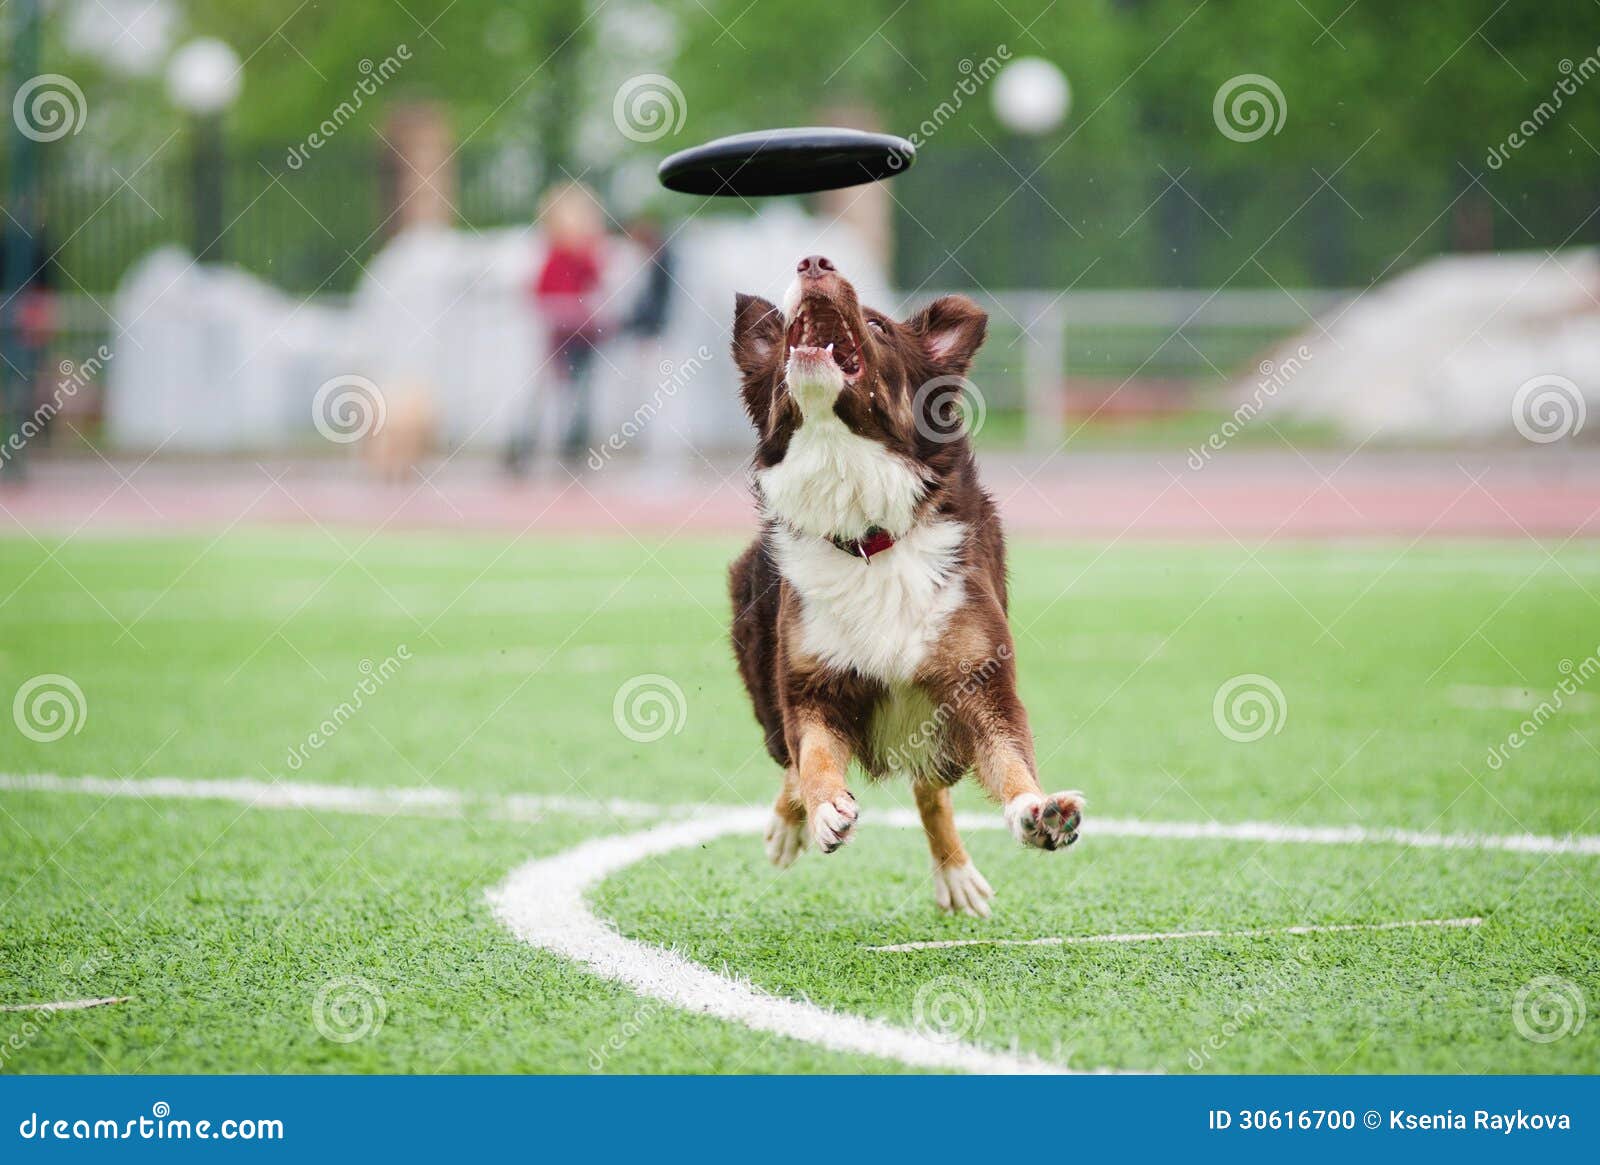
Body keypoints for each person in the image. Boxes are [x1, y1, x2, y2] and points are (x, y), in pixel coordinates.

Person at [506, 182, 607, 475]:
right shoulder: (554, 255)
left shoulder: (588, 256)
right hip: (554, 334)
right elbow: (539, 291)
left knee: (579, 394)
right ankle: (524, 452)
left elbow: (596, 288)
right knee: (544, 394)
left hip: (581, 335)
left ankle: (571, 452)